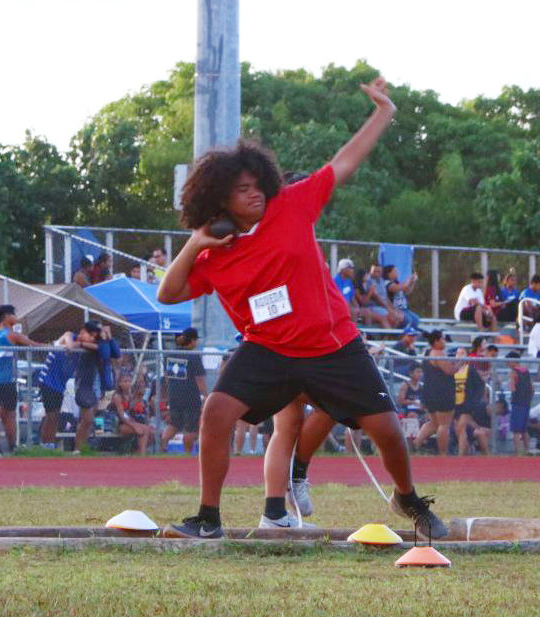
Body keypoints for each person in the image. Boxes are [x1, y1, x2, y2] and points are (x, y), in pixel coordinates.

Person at [156, 76, 446, 540]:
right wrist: (194, 243)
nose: (254, 194)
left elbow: (343, 163)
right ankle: (208, 517)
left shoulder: (291, 205)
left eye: (256, 185)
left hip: (332, 345)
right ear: (218, 201)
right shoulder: (215, 255)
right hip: (268, 349)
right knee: (216, 410)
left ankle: (407, 497)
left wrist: (383, 112)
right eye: (241, 190)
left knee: (388, 430)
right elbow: (167, 295)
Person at [0, 305, 44, 456]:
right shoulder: (11, 335)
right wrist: (52, 346)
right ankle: (12, 447)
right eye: (14, 315)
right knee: (10, 415)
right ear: (7, 317)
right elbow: (33, 344)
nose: (16, 317)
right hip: (7, 380)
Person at [160, 328, 206, 454]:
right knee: (190, 427)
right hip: (190, 395)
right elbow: (199, 379)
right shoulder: (194, 356)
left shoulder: (170, 354)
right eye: (196, 340)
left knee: (175, 423)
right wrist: (205, 396)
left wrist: (170, 392)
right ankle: (187, 453)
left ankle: (163, 442)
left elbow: (167, 376)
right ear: (192, 341)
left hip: (174, 394)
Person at [72, 321, 116, 453]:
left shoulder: (102, 344)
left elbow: (112, 352)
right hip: (85, 385)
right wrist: (81, 343)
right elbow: (77, 341)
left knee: (91, 420)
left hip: (98, 386)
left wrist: (108, 336)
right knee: (87, 419)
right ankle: (77, 449)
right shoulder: (83, 342)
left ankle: (85, 447)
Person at [412, 330, 455, 456]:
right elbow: (449, 371)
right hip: (441, 392)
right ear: (436, 341)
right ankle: (443, 453)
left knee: (434, 423)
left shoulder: (427, 352)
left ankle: (415, 444)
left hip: (430, 391)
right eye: (442, 339)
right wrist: (459, 365)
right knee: (444, 424)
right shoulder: (439, 353)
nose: (444, 341)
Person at [36, 331, 79, 449]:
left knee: (55, 415)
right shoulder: (69, 336)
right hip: (48, 382)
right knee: (51, 415)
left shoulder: (83, 350)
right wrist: (80, 343)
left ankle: (50, 443)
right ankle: (45, 443)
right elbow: (69, 345)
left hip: (59, 386)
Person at [454, 348, 491, 455]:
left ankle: (460, 455)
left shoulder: (470, 370)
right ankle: (465, 453)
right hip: (455, 404)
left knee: (461, 427)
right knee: (459, 430)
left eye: (462, 353)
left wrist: (474, 401)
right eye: (458, 353)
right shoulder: (453, 370)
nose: (459, 355)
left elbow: (480, 385)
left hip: (466, 405)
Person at [111, 372, 156, 455]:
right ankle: (142, 455)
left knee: (153, 432)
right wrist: (135, 426)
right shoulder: (117, 396)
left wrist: (137, 400)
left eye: (129, 381)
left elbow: (133, 410)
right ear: (120, 384)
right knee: (145, 430)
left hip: (132, 422)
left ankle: (137, 452)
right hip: (121, 424)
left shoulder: (130, 395)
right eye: (125, 381)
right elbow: (122, 415)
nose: (127, 383)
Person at [507, 351, 533, 455]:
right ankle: (527, 450)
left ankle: (517, 451)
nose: (507, 364)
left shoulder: (514, 372)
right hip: (526, 402)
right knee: (524, 429)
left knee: (516, 430)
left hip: (517, 402)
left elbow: (512, 387)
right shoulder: (526, 371)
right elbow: (532, 387)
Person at [384, 264, 418, 329]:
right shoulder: (387, 283)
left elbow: (407, 291)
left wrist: (412, 282)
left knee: (415, 319)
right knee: (408, 320)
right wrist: (409, 278)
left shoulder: (397, 282)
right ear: (389, 273)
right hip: (396, 309)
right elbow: (403, 287)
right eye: (395, 271)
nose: (397, 273)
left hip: (404, 308)